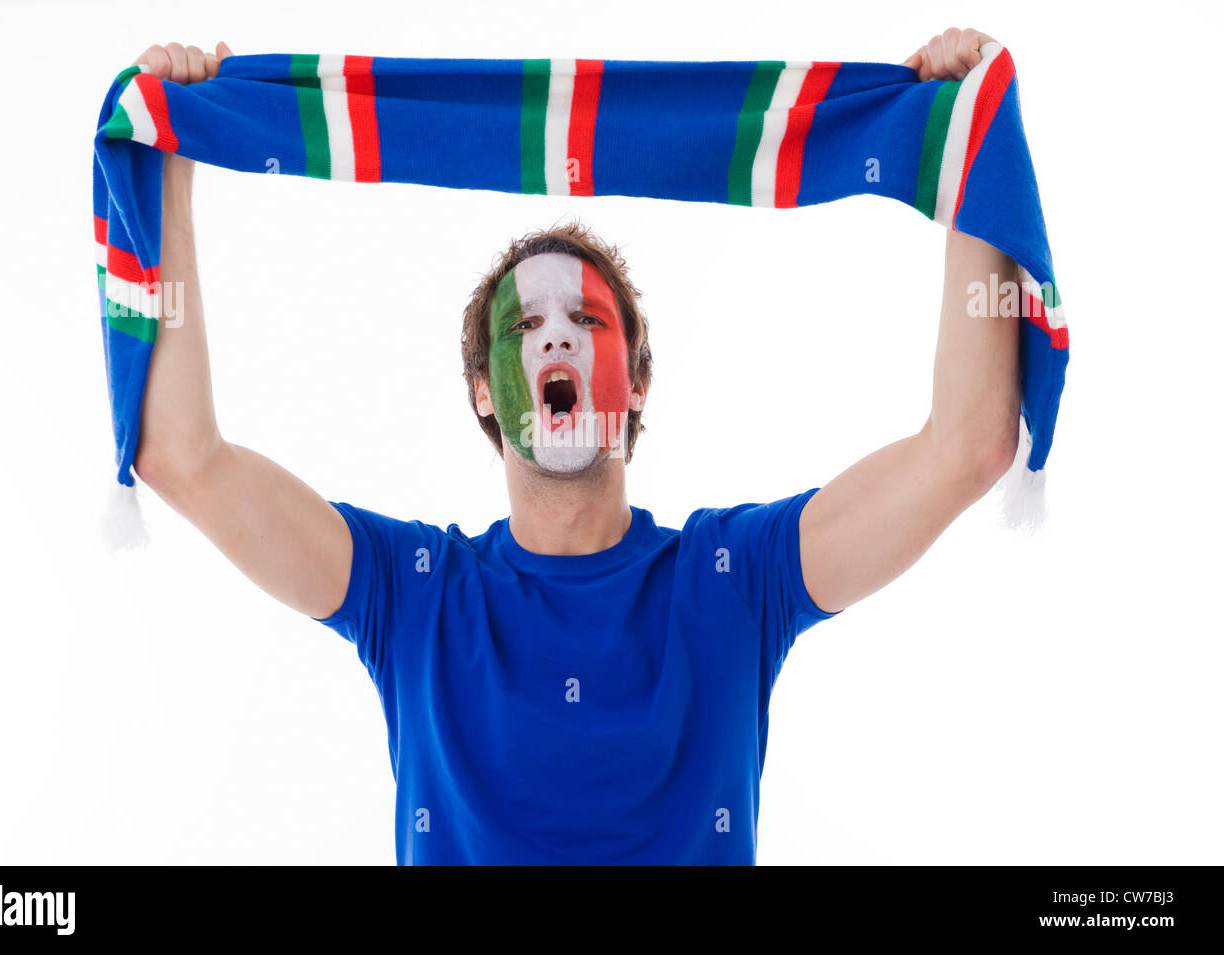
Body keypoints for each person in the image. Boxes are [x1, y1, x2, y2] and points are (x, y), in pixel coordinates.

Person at [131, 28, 1020, 864]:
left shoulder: (734, 578)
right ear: (484, 390)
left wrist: (967, 149)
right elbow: (181, 456)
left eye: (586, 320)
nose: (555, 335)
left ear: (636, 383)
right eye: (524, 326)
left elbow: (967, 448)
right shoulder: (412, 593)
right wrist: (168, 166)